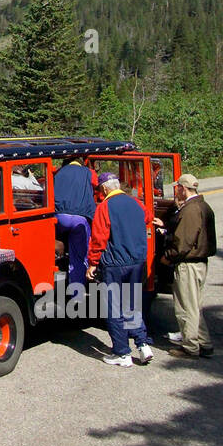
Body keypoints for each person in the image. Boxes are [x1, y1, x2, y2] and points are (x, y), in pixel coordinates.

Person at [87, 174, 154, 367]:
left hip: (115, 263)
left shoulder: (104, 207)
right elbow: (148, 217)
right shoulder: (135, 203)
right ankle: (142, 344)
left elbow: (99, 239)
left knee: (114, 307)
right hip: (137, 261)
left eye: (99, 190)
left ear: (105, 189)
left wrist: (93, 263)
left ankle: (122, 352)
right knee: (131, 303)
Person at [160, 173, 216, 358]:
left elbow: (184, 241)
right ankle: (204, 343)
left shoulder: (191, 210)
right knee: (194, 306)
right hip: (199, 262)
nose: (177, 191)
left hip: (188, 264)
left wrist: (168, 256)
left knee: (185, 307)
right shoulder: (202, 206)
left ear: (183, 189)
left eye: (178, 188)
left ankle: (190, 346)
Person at [53, 156, 97, 290]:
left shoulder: (59, 172)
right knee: (78, 258)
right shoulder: (89, 173)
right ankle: (77, 294)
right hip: (80, 218)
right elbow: (97, 185)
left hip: (59, 217)